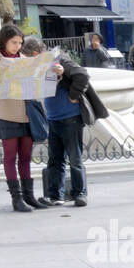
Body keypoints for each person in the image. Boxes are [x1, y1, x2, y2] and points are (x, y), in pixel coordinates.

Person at [0, 24, 50, 212]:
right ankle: (17, 199)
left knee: (25, 157)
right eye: (14, 42)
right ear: (4, 41)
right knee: (10, 157)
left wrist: (52, 73)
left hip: (26, 114)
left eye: (20, 42)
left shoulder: (25, 60)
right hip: (7, 114)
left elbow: (39, 83)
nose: (17, 46)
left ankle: (29, 196)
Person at [39, 45, 108, 207]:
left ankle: (80, 194)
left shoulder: (60, 61)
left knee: (74, 158)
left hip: (70, 117)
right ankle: (55, 195)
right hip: (53, 118)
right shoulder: (38, 67)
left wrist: (73, 95)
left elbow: (82, 75)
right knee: (55, 159)